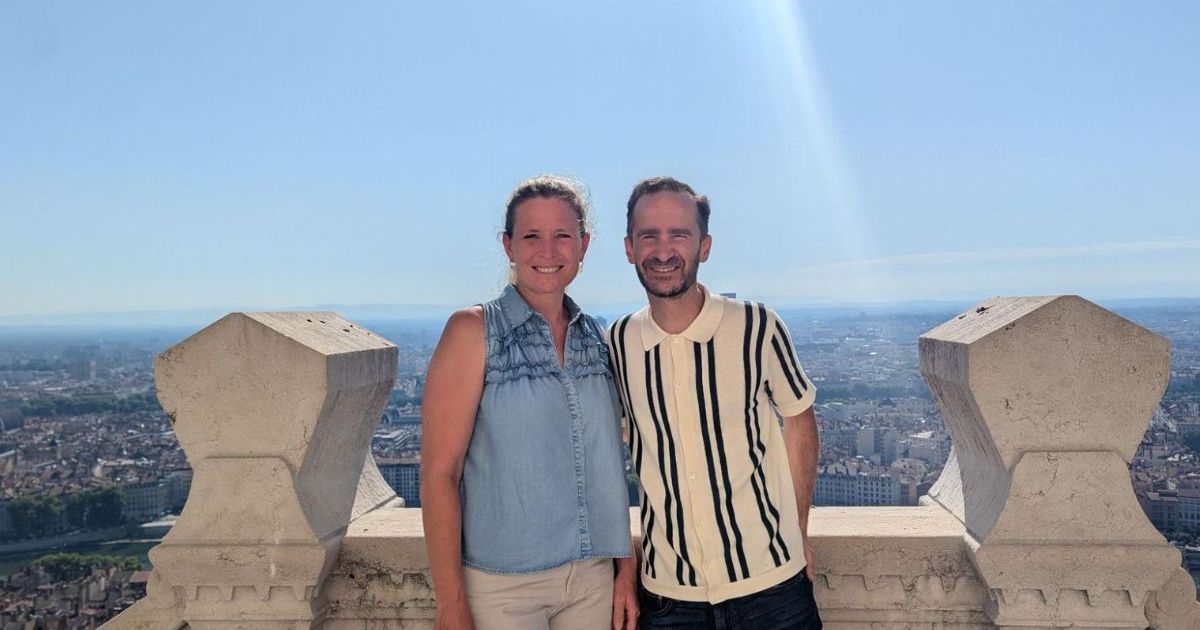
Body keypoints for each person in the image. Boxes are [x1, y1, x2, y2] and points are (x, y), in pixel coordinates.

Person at [420, 175, 638, 630]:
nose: (548, 251)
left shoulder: (597, 338)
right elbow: (440, 473)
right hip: (502, 587)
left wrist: (625, 569)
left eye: (563, 235)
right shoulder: (472, 331)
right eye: (531, 236)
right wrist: (451, 604)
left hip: (593, 579)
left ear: (584, 245)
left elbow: (609, 467)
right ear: (508, 246)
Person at [607, 176, 822, 629]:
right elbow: (606, 461)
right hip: (667, 597)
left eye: (679, 234)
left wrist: (797, 530)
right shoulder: (617, 343)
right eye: (649, 235)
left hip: (773, 586)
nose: (663, 251)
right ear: (629, 247)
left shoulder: (757, 326)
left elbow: (800, 419)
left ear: (704, 246)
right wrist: (627, 569)